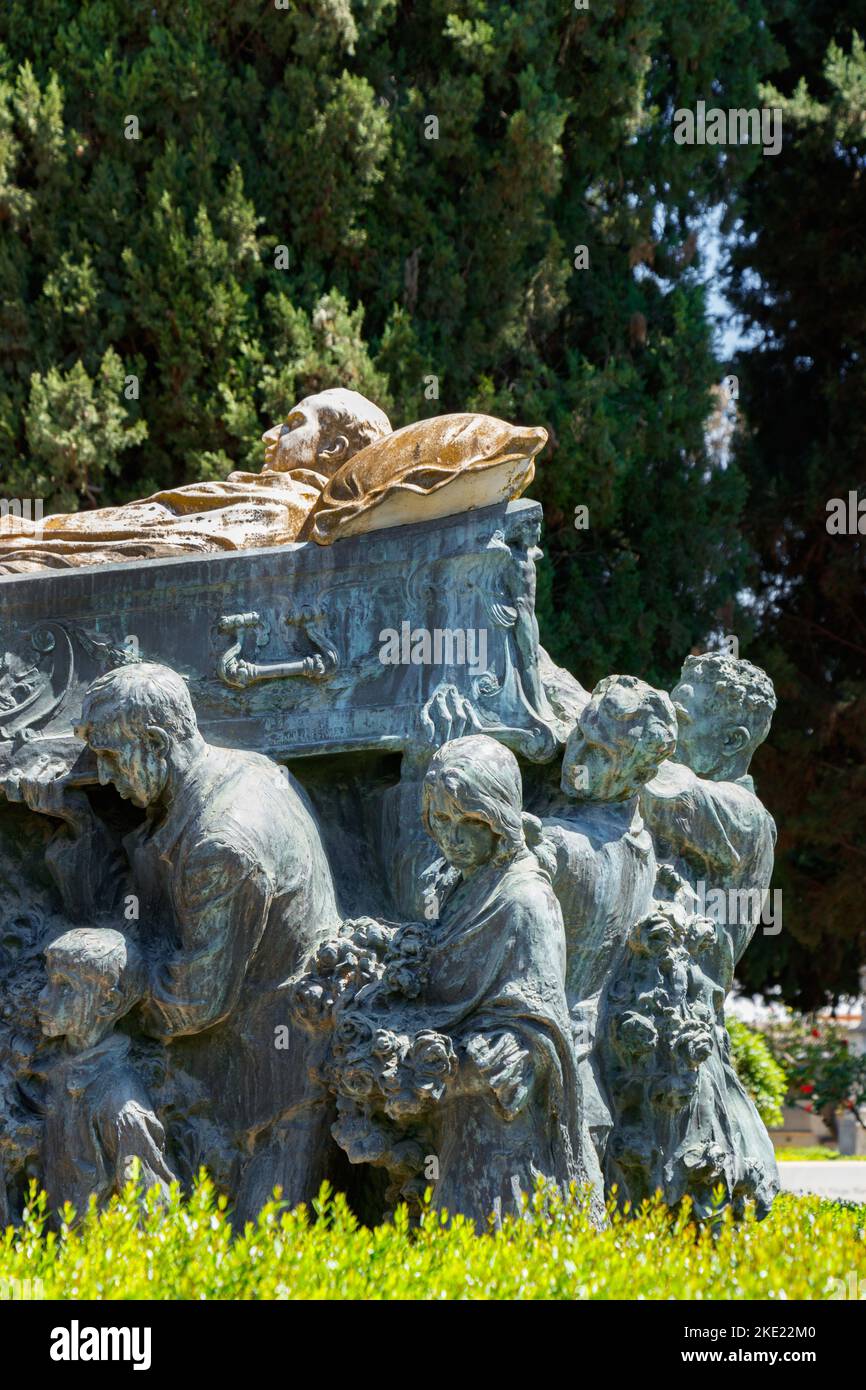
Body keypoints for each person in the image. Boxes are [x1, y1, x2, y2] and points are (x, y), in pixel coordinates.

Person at [7, 661, 345, 1222]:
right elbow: (144, 917)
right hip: (235, 1070)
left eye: (113, 759)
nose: (108, 779)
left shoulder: (222, 844)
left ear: (159, 742)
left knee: (258, 1262)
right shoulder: (236, 773)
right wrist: (79, 826)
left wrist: (100, 979)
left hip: (267, 1091)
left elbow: (190, 1001)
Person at [413, 735, 604, 1226]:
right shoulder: (461, 883)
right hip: (461, 1121)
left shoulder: (523, 902)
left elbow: (537, 1030)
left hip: (510, 1133)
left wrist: (459, 1065)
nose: (452, 837)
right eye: (441, 820)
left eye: (470, 822)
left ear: (501, 820)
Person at [0, 389, 392, 572]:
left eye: (292, 424)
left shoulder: (285, 509)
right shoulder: (272, 497)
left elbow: (157, 545)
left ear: (332, 448)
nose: (269, 435)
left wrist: (31, 542)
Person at [641, 651, 777, 963]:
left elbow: (655, 790)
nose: (668, 730)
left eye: (682, 720)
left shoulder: (746, 816)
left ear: (731, 740)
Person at [38, 927, 176, 1218]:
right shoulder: (52, 1070)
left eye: (65, 986)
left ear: (108, 1002)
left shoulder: (121, 1105)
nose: (43, 998)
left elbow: (152, 1213)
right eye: (48, 982)